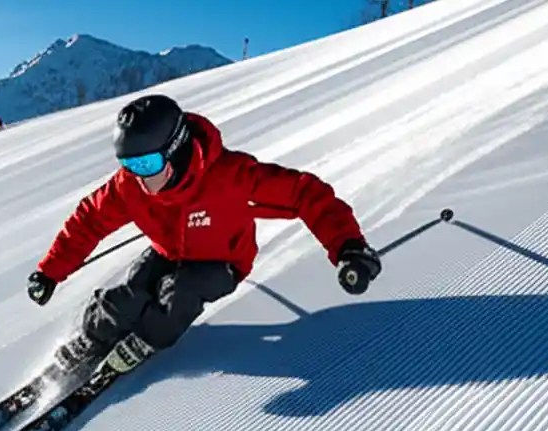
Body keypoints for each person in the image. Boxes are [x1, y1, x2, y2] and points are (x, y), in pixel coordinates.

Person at [26, 94, 380, 375]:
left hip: (221, 261)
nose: (138, 177)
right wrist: (49, 271)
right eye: (129, 165)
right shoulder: (131, 187)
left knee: (178, 295)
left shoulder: (230, 177)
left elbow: (305, 193)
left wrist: (348, 245)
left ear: (176, 148)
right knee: (129, 293)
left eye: (146, 164)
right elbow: (89, 220)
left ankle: (148, 339)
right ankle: (93, 337)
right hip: (167, 251)